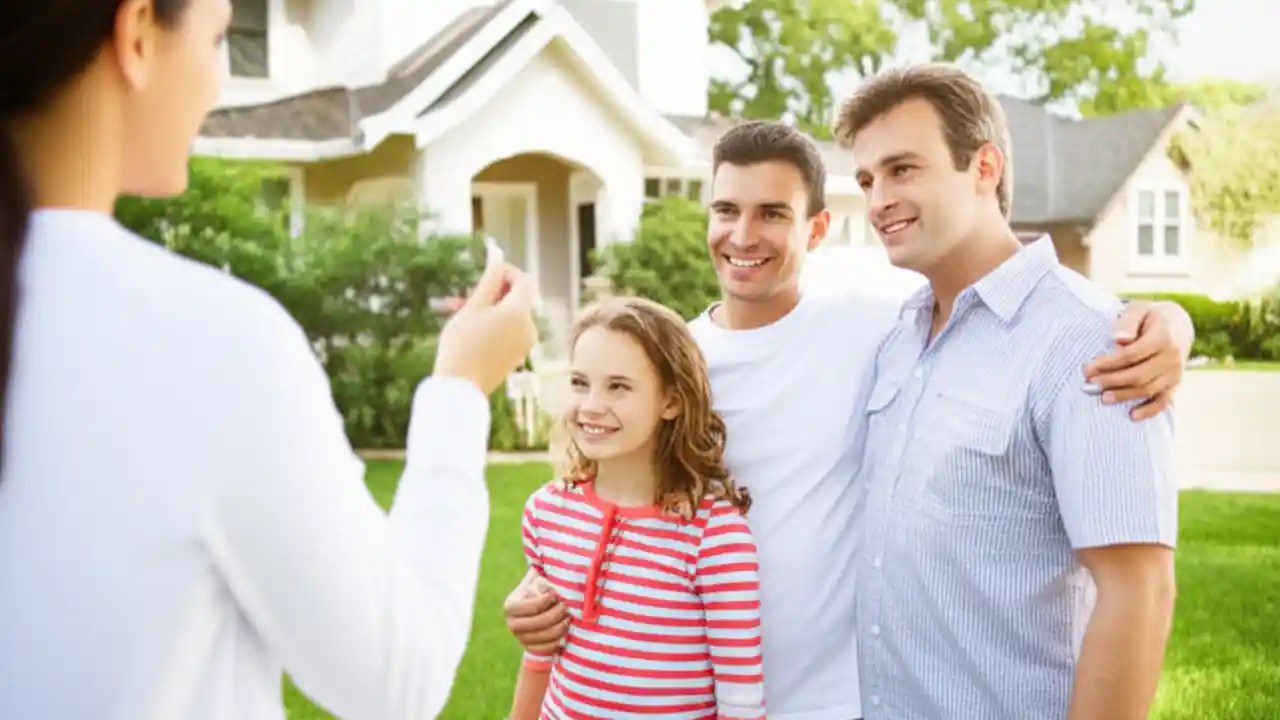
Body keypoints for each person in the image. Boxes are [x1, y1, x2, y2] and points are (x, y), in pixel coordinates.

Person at [503, 119, 1195, 718]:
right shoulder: (671, 367)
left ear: (819, 227)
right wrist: (540, 592)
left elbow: (996, 303)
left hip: (841, 698)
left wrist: (1169, 322)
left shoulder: (878, 328)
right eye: (726, 209)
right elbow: (602, 503)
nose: (744, 234)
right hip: (696, 695)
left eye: (773, 212)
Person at [0, 2, 537, 719]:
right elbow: (397, 682)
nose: (219, 81)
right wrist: (462, 389)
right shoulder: (205, 343)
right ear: (134, 35)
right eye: (219, 37)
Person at [839, 64, 1178, 719]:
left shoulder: (1088, 341)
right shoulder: (895, 339)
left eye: (903, 169)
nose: (878, 198)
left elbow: (1138, 590)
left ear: (984, 167)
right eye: (867, 179)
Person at [508, 296, 765, 720]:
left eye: (618, 386)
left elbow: (741, 703)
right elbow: (540, 656)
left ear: (671, 401)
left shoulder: (712, 537)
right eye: (579, 382)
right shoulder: (546, 513)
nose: (591, 405)